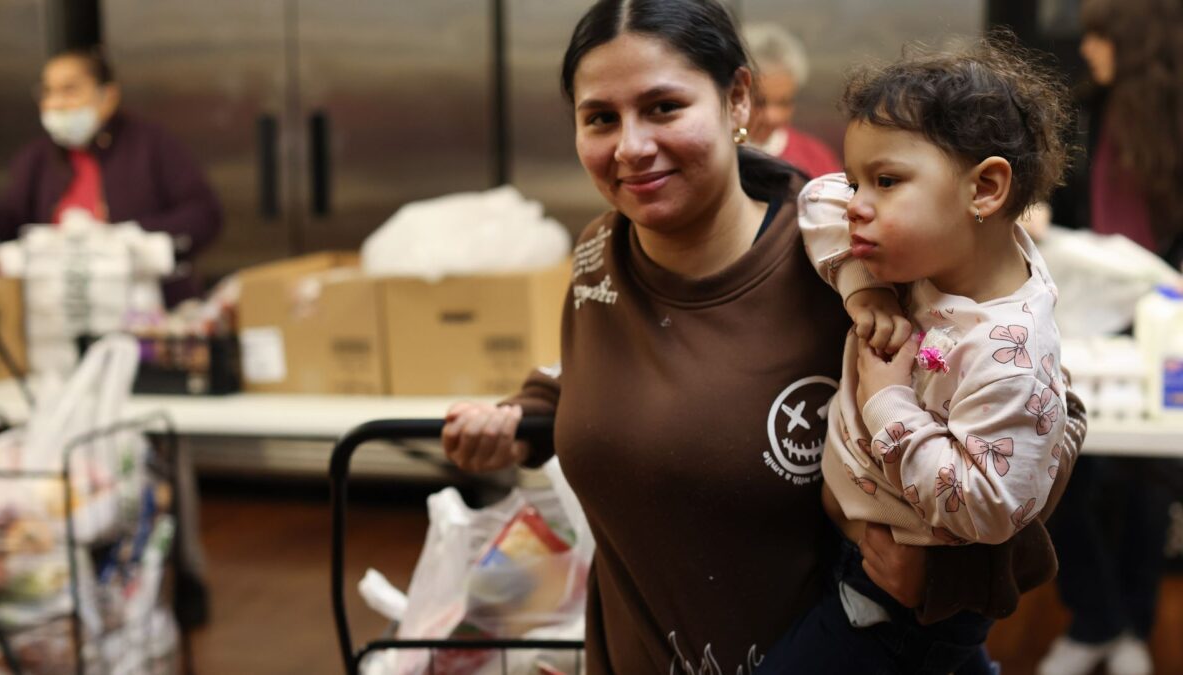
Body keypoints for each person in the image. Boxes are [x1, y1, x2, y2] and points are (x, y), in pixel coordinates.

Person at [440, 2, 1086, 672]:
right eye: (601, 117)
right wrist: (526, 416)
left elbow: (1045, 424)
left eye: (663, 107)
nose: (630, 145)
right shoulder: (597, 252)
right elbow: (602, 374)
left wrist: (944, 584)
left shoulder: (855, 262)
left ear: (737, 98)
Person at [760, 34, 1074, 673]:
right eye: (858, 180)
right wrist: (862, 286)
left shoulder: (1006, 355)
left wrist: (888, 403)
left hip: (895, 606)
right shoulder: (945, 260)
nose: (857, 208)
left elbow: (986, 507)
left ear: (984, 190)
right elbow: (816, 197)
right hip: (855, 560)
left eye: (886, 181)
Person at [1038, 1, 1183, 673]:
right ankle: (1100, 619)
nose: (1086, 46)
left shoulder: (1174, 117)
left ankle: (1127, 625)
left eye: (1098, 34)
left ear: (1132, 39)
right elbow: (1061, 201)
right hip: (1084, 315)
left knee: (1153, 480)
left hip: (1166, 318)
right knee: (1068, 463)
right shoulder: (1086, 110)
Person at [0, 47, 222, 307]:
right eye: (48, 92)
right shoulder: (36, 159)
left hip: (148, 310)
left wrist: (129, 238)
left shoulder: (151, 145)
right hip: (55, 311)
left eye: (70, 90)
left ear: (108, 96)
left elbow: (204, 214)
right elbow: (11, 230)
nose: (56, 103)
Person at [742, 23, 841, 178]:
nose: (772, 116)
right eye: (759, 103)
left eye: (784, 103)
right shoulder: (723, 152)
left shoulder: (815, 156)